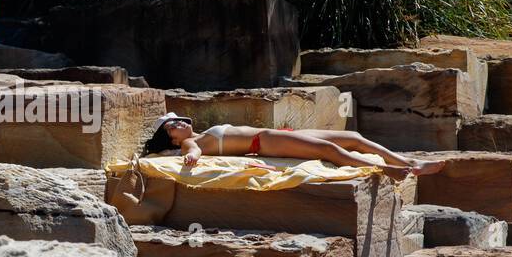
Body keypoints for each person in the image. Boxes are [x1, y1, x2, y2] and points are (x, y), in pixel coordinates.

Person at [141, 113, 446, 182]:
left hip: (277, 134)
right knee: (331, 151)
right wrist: (192, 157)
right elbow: (191, 153)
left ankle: (406, 160)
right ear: (173, 139)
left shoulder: (204, 131)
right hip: (266, 142)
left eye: (178, 120)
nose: (179, 122)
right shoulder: (193, 142)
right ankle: (387, 169)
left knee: (352, 135)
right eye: (172, 126)